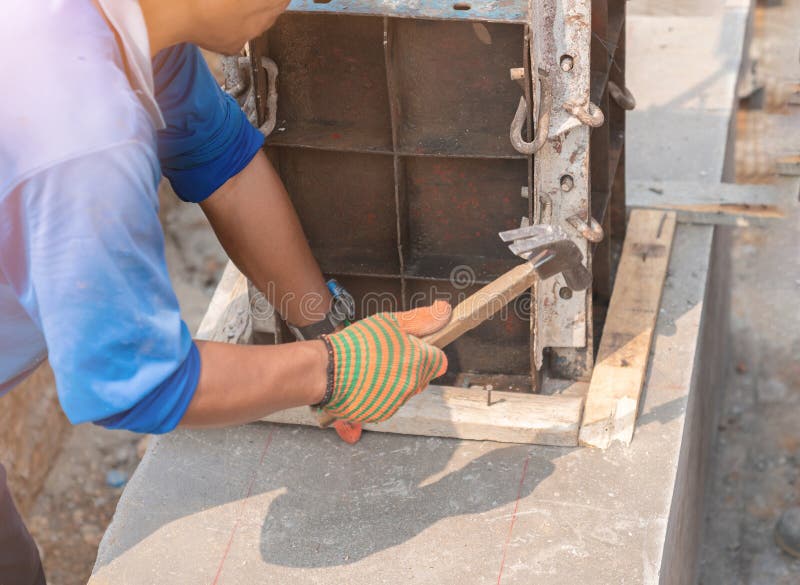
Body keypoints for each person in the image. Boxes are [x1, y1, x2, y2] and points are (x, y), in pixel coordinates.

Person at [0, 1, 451, 582]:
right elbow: (139, 382)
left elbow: (222, 164)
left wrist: (321, 325)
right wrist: (331, 371)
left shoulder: (125, 25)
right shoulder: (86, 134)